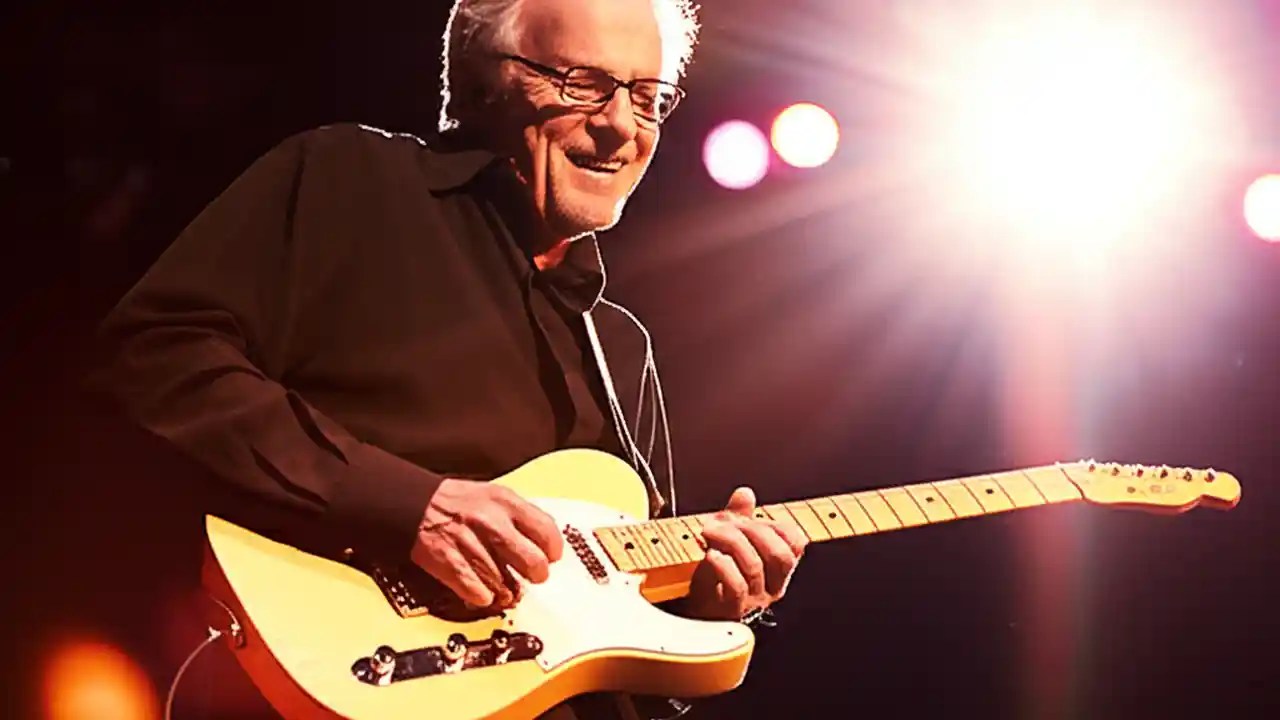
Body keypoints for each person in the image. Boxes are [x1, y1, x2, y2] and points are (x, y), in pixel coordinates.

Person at [92, 0, 807, 717]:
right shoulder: (352, 180)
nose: (621, 125)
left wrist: (704, 614)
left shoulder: (620, 347)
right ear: (485, 82)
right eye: (583, 83)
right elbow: (156, 352)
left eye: (647, 98)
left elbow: (609, 659)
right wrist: (406, 506)